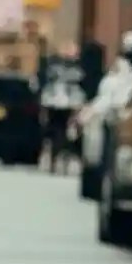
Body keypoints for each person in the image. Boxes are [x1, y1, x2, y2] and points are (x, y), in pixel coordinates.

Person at [39, 40, 87, 174]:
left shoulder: (76, 70)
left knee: (68, 133)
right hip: (55, 103)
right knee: (56, 132)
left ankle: (63, 158)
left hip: (69, 103)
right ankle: (56, 159)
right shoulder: (54, 68)